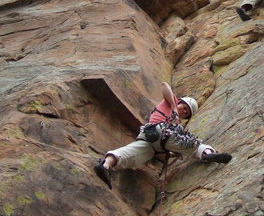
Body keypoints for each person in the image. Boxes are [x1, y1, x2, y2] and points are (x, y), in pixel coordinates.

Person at [93, 81, 232, 189]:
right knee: (196, 146)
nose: (183, 111)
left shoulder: (177, 119)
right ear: (179, 102)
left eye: (186, 113)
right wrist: (173, 105)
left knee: (130, 154)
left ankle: (105, 166)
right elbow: (164, 85)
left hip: (151, 143)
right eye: (183, 107)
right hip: (160, 132)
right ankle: (207, 154)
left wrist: (171, 153)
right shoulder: (169, 103)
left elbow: (167, 145)